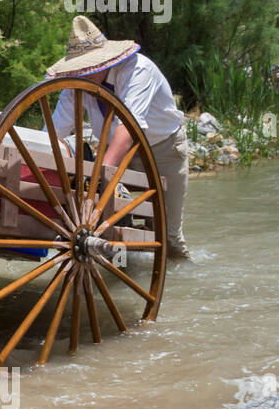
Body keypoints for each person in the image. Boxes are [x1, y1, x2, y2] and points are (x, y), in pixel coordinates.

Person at [46, 15, 192, 260]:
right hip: (117, 152)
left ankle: (181, 277)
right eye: (80, 69)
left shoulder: (137, 70)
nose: (84, 74)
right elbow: (54, 131)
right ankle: (124, 261)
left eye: (90, 67)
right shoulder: (76, 83)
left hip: (162, 151)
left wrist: (98, 179)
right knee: (111, 221)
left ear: (105, 61)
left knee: (167, 236)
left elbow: (129, 127)